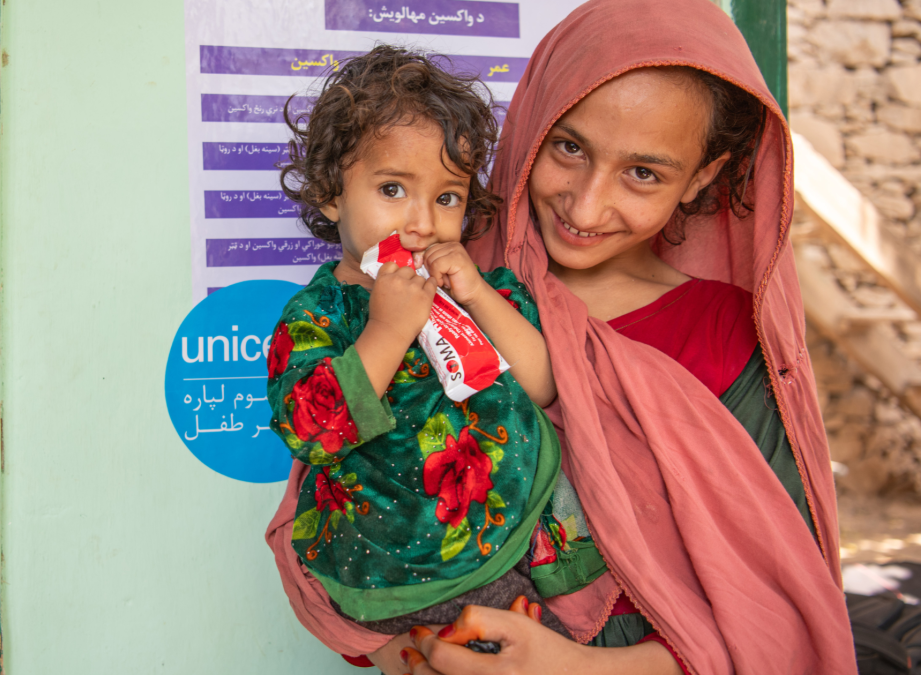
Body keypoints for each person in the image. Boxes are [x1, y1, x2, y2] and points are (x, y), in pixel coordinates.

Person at [264, 0, 858, 673]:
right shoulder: (426, 295)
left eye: (644, 172)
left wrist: (577, 667)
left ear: (704, 175)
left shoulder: (724, 337)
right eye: (568, 147)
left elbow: (776, 615)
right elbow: (335, 491)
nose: (584, 204)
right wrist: (407, 647)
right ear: (532, 125)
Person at [267, 45, 575, 639]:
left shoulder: (473, 288)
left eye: (447, 197)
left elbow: (545, 384)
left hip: (530, 534)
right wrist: (388, 330)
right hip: (408, 571)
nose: (422, 222)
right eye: (392, 189)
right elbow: (310, 431)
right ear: (332, 193)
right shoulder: (318, 317)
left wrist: (479, 296)